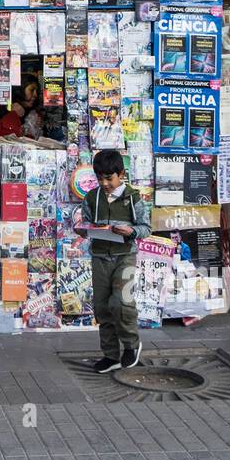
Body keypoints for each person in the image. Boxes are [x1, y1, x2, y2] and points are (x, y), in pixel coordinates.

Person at [79, 148, 151, 374]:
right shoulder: (92, 197)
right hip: (99, 258)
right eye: (100, 178)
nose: (105, 183)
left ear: (121, 174)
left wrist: (130, 231)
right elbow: (86, 224)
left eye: (109, 178)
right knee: (102, 307)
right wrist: (83, 230)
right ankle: (110, 355)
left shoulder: (134, 198)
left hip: (125, 256)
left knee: (122, 302)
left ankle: (131, 345)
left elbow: (145, 229)